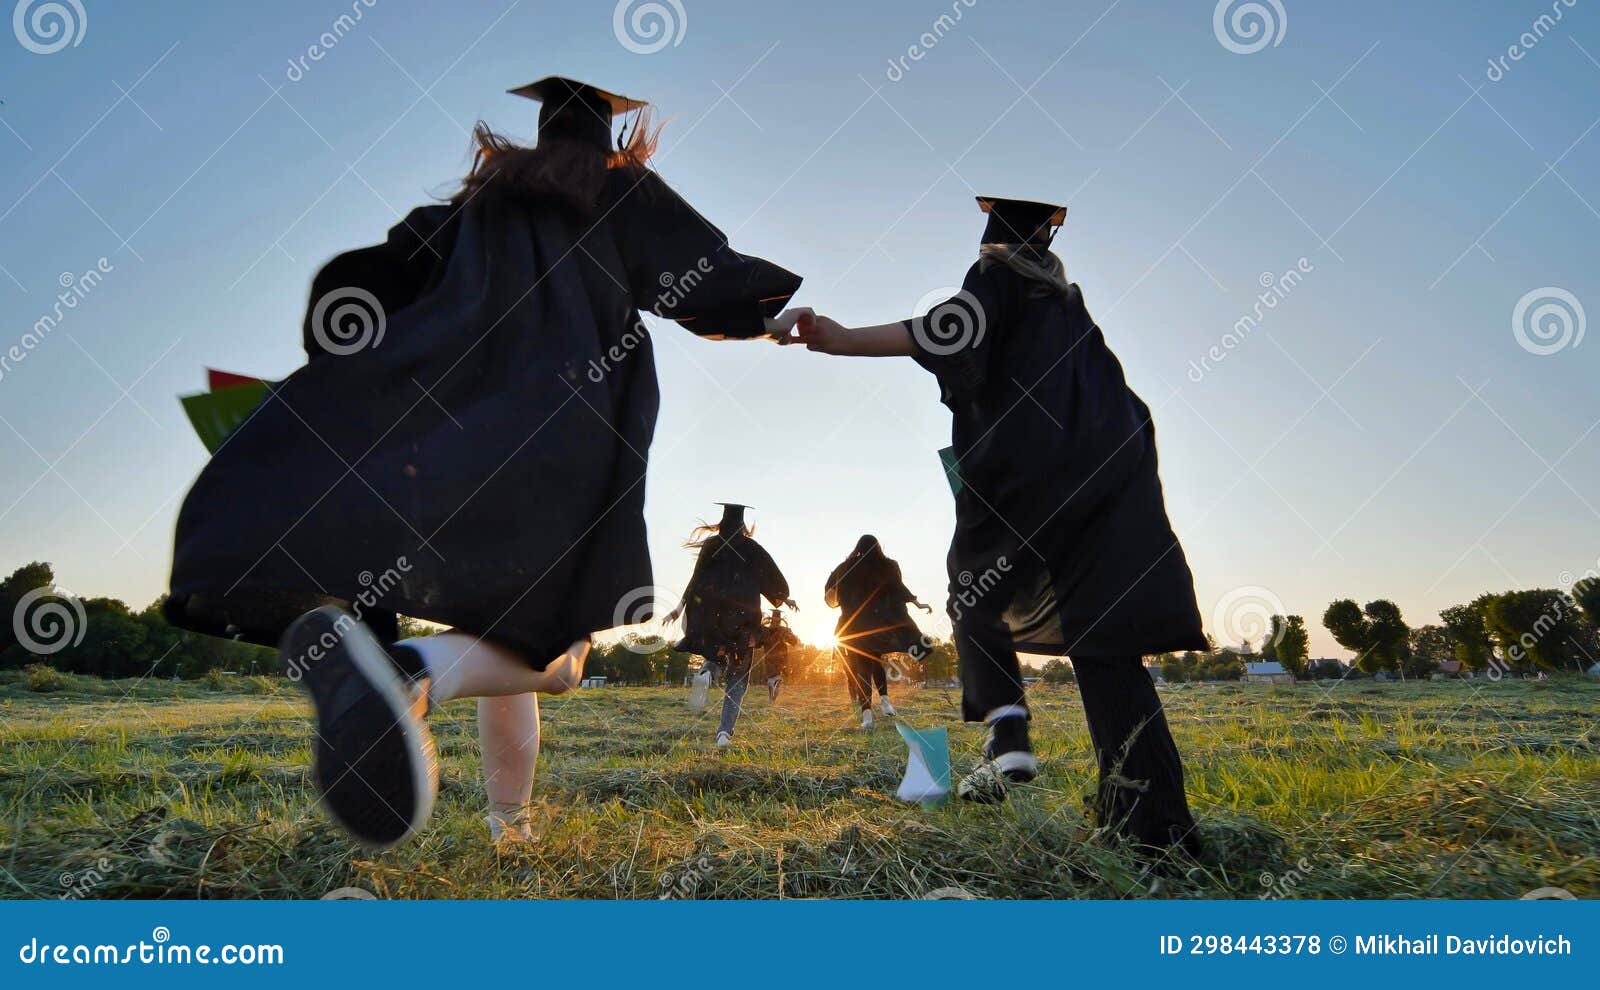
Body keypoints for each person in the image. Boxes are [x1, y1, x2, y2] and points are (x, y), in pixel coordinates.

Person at [164, 77, 807, 848]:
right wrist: (772, 319)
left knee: (505, 628)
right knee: (557, 657)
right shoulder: (619, 190)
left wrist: (349, 375)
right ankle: (407, 674)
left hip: (454, 433)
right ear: (609, 138)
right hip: (568, 436)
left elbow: (358, 281)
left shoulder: (479, 206)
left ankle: (512, 828)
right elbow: (703, 278)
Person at [791, 196, 1206, 855]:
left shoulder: (995, 276)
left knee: (973, 590)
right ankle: (1156, 827)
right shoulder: (1068, 306)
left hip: (1038, 483)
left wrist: (840, 339)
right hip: (1112, 486)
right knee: (1109, 652)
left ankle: (1007, 734)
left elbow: (945, 330)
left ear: (994, 246)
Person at [665, 504, 795, 749]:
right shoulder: (752, 548)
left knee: (716, 652)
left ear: (721, 522)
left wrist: (679, 608)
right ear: (743, 525)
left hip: (712, 618)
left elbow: (695, 580)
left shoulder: (711, 545)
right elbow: (772, 580)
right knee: (737, 677)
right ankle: (724, 733)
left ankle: (706, 674)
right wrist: (782, 597)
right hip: (742, 619)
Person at [824, 535, 933, 729]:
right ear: (878, 547)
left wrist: (838, 597)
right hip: (877, 626)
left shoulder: (845, 566)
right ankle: (884, 702)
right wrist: (917, 603)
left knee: (864, 668)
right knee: (875, 664)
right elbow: (898, 588)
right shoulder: (887, 565)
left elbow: (830, 593)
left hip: (854, 629)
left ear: (857, 547)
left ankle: (867, 716)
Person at [754, 607, 799, 702]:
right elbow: (758, 643)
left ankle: (773, 688)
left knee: (773, 676)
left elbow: (794, 641)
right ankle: (773, 688)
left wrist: (786, 634)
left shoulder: (781, 630)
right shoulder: (767, 630)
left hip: (776, 658)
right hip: (776, 658)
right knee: (775, 676)